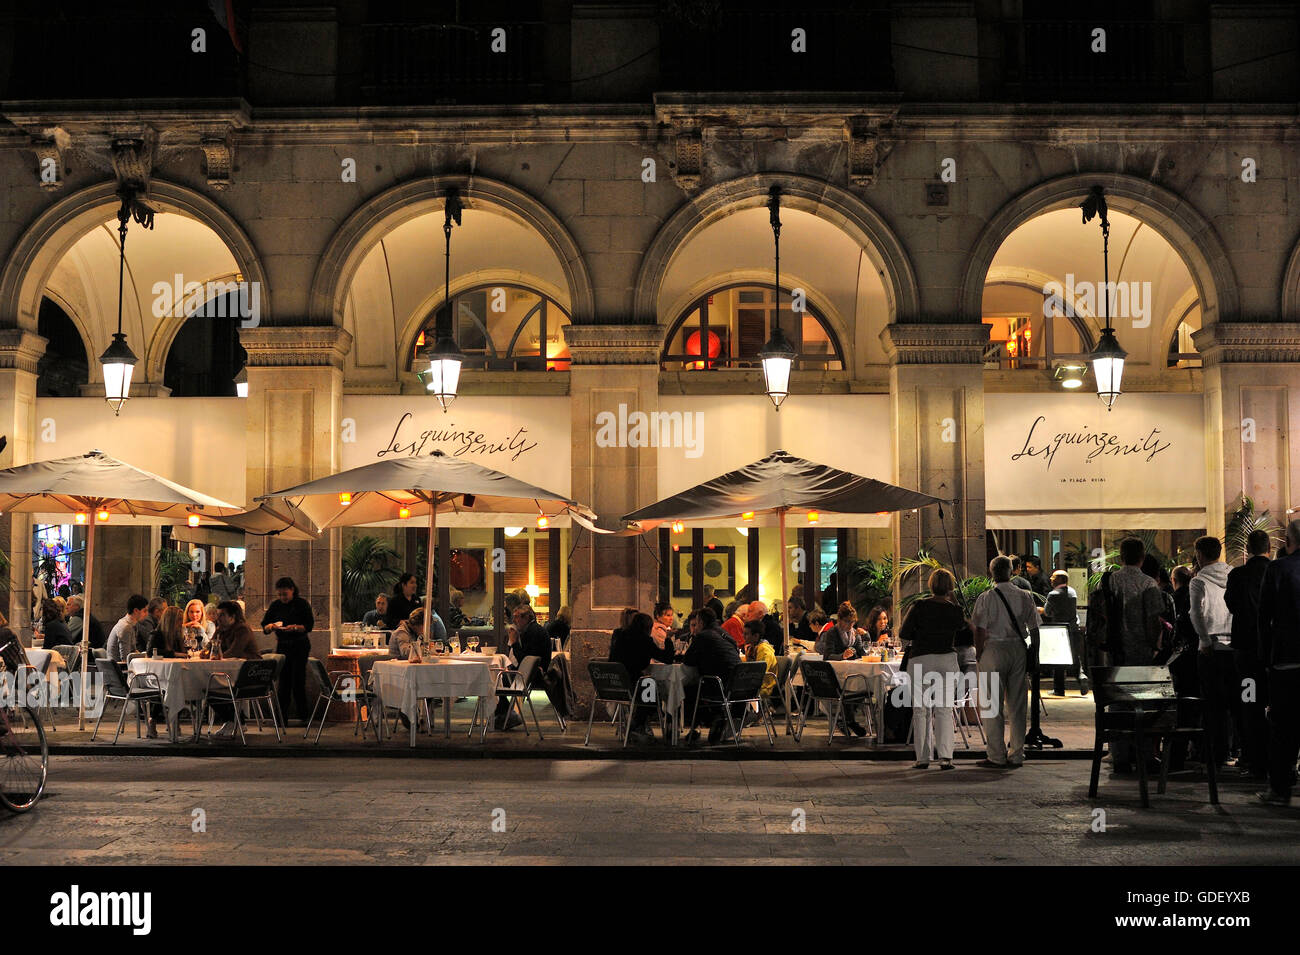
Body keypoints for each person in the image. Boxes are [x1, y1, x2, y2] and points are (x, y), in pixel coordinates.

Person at [1086, 537, 1166, 771]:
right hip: (1140, 652)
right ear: (1142, 557)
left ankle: (1119, 756)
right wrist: (1155, 646)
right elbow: (1154, 619)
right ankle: (1143, 756)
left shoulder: (1108, 581)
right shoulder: (1148, 584)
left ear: (1121, 557)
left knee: (1118, 703)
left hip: (1114, 651)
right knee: (1142, 703)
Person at [971, 555, 1039, 769]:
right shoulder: (1025, 596)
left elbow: (980, 629)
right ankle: (1017, 753)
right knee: (1018, 705)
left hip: (993, 649)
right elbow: (1035, 628)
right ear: (1011, 571)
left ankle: (996, 754)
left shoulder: (986, 597)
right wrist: (1034, 653)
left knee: (992, 705)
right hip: (1017, 649)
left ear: (991, 573)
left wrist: (979, 653)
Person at [900, 568, 966, 770]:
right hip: (946, 659)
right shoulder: (954, 609)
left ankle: (923, 758)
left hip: (921, 659)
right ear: (950, 588)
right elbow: (963, 631)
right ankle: (946, 757)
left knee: (921, 710)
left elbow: (905, 632)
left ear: (930, 586)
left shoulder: (919, 606)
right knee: (944, 709)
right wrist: (954, 601)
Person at [1256, 518, 1300, 806]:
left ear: (1287, 540)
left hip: (1287, 659)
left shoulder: (1278, 568)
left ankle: (1280, 790)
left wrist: (1265, 658)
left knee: (1284, 727)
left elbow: (1264, 617)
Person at [1225, 528, 1272, 779]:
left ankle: (1254, 762)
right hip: (1274, 656)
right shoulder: (1276, 571)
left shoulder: (1237, 575)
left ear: (1247, 549)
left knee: (1249, 705)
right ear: (1270, 549)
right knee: (1276, 707)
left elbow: (1231, 605)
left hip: (1245, 655)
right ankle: (1278, 761)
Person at [1188, 535, 1237, 770]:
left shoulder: (1198, 581)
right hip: (1233, 646)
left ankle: (1214, 753)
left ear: (1200, 554)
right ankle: (1231, 750)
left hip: (1210, 647)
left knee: (1212, 702)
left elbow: (1195, 613)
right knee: (1234, 703)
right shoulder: (1234, 575)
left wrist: (1204, 640)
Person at [680, 608, 741, 745]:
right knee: (701, 686)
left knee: (689, 688)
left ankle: (695, 728)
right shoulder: (725, 634)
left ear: (700, 622)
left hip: (719, 684)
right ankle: (716, 718)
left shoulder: (703, 636)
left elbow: (688, 660)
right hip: (739, 684)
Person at [260, 577, 314, 724]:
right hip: (282, 645)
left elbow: (309, 625)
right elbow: (264, 626)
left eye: (285, 594)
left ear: (292, 590)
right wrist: (270, 627)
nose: (283, 597)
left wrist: (295, 627)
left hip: (299, 644)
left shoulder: (302, 604)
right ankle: (281, 718)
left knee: (298, 680)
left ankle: (303, 716)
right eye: (280, 594)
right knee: (283, 682)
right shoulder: (276, 605)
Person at [495, 604, 551, 730]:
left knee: (495, 680)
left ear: (526, 618)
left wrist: (514, 642)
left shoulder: (533, 632)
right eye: (513, 617)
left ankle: (507, 716)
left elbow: (525, 659)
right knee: (497, 679)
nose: (514, 620)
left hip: (532, 675)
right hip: (529, 672)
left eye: (517, 617)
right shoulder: (529, 630)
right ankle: (504, 716)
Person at [1042, 570, 1085, 694]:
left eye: (1053, 577)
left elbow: (1047, 612)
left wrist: (1040, 610)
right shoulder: (1072, 592)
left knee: (1058, 659)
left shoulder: (1053, 594)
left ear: (1060, 579)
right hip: (1073, 628)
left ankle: (1059, 689)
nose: (1050, 578)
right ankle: (1081, 676)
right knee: (1074, 656)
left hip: (1059, 630)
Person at [106, 594, 149, 663]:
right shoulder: (126, 627)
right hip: (120, 670)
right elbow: (125, 659)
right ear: (136, 611)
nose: (147, 614)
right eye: (144, 611)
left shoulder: (128, 624)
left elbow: (133, 651)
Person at [742, 618, 777, 701]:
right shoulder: (752, 648)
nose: (743, 636)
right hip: (755, 683)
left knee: (735, 691)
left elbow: (760, 671)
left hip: (764, 686)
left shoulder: (764, 649)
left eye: (746, 634)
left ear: (756, 636)